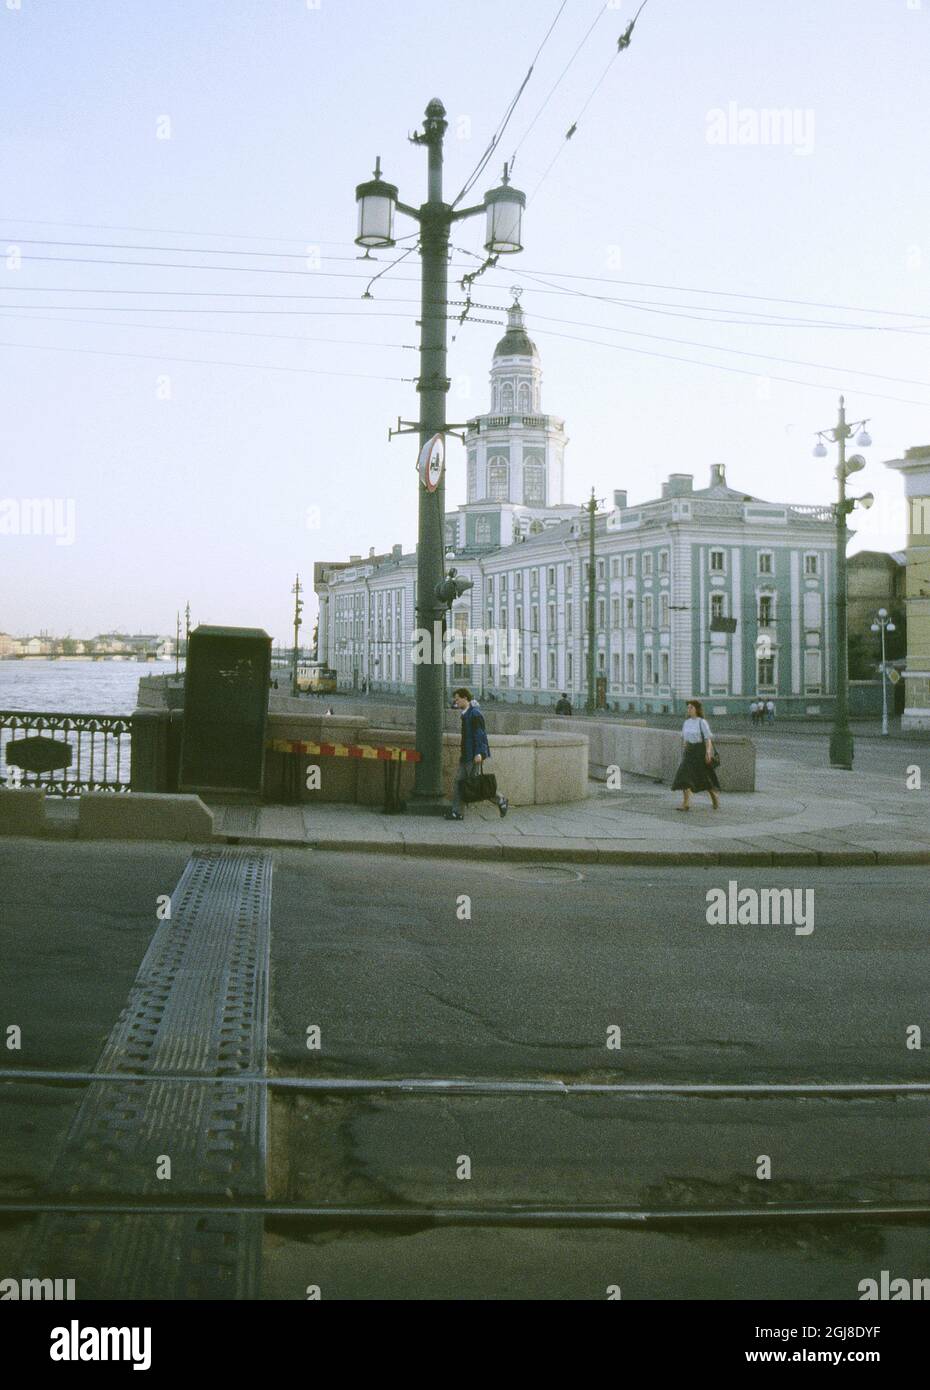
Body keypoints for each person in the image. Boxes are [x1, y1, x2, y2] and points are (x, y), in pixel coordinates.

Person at [446, 687, 509, 821]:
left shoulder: (475, 714)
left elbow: (480, 734)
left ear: (465, 698)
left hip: (473, 756)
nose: (456, 702)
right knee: (460, 783)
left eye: (457, 699)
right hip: (466, 755)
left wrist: (480, 753)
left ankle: (501, 800)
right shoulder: (467, 714)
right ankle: (457, 812)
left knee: (478, 786)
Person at [672, 699, 720, 812]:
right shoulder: (686, 722)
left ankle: (714, 795)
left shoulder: (701, 722)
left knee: (703, 777)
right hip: (689, 752)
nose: (689, 709)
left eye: (691, 707)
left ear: (696, 709)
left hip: (699, 751)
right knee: (683, 776)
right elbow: (684, 738)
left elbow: (708, 738)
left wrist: (708, 752)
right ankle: (686, 803)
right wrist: (684, 750)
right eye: (688, 707)